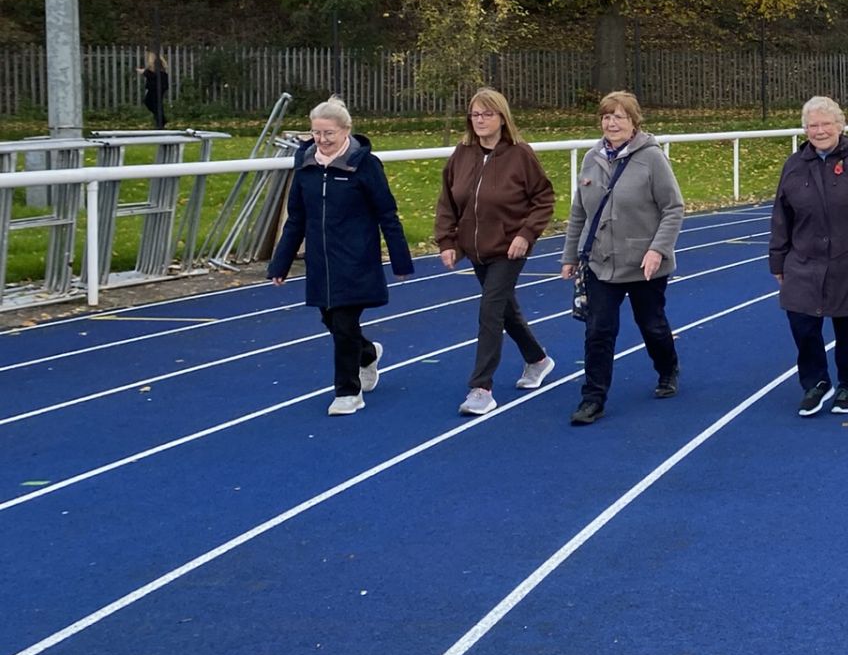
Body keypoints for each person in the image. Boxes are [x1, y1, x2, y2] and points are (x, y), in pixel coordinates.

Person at [267, 97, 415, 416]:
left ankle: (348, 391)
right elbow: (296, 218)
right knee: (331, 320)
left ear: (346, 130)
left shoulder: (365, 165)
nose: (321, 139)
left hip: (356, 260)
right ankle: (366, 354)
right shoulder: (305, 165)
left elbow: (387, 213)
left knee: (345, 323)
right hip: (320, 262)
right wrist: (280, 263)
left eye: (328, 133)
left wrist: (400, 259)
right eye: (316, 133)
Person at [560, 91, 686, 424]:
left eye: (619, 116)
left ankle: (667, 368)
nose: (611, 123)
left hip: (644, 264)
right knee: (598, 330)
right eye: (606, 116)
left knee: (652, 325)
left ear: (634, 122)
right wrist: (570, 255)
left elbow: (673, 208)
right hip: (601, 264)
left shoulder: (652, 158)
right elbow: (579, 213)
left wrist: (657, 249)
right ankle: (593, 398)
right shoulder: (591, 159)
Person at [434, 87, 558, 416]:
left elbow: (544, 199)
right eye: (475, 114)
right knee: (504, 310)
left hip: (509, 248)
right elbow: (447, 200)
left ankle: (481, 387)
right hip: (476, 248)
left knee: (490, 310)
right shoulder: (461, 154)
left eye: (487, 114)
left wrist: (526, 235)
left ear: (502, 118)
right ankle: (538, 359)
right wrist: (447, 241)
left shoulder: (520, 154)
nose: (480, 120)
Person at [769, 96, 848, 415]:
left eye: (826, 124)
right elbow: (781, 216)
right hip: (803, 260)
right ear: (804, 129)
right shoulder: (794, 165)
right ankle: (816, 383)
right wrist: (778, 259)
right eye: (813, 125)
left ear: (840, 125)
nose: (819, 130)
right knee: (801, 321)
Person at [140, 52, 169, 130]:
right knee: (154, 103)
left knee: (153, 103)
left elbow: (153, 74)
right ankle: (161, 121)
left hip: (157, 87)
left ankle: (161, 121)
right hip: (158, 86)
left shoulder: (156, 61)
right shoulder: (157, 62)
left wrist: (144, 72)